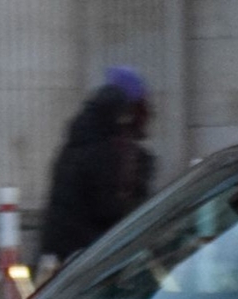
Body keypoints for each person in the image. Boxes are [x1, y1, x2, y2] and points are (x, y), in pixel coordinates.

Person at [42, 66, 157, 265]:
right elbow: (111, 210)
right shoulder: (111, 152)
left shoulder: (77, 141)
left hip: (59, 256)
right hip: (88, 261)